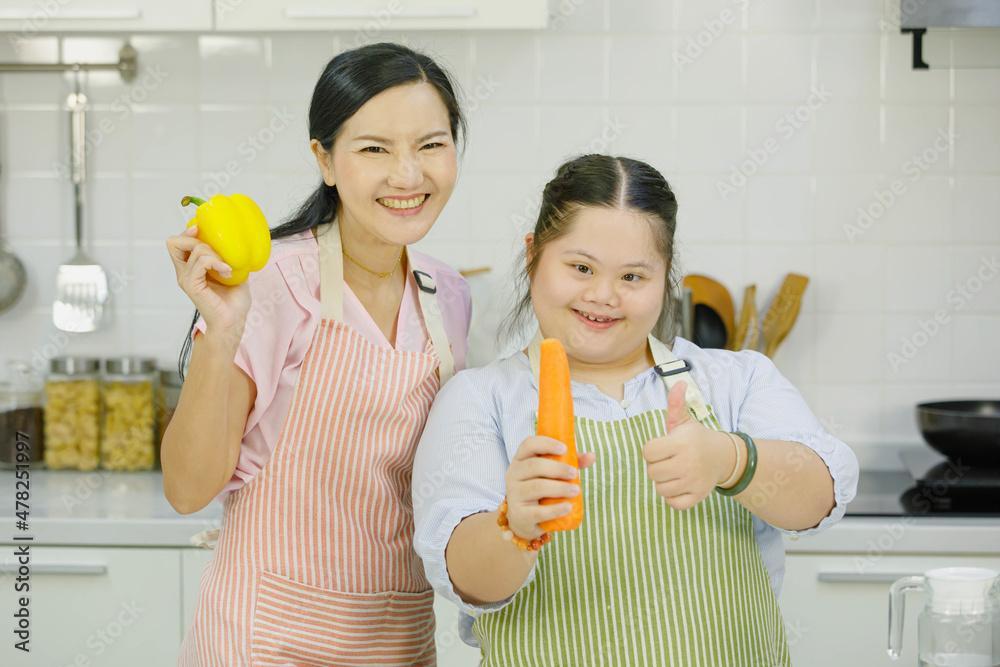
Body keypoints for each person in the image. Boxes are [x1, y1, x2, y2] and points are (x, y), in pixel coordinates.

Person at [411, 154, 859, 665]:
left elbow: (822, 499)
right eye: (581, 268)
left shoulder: (735, 380)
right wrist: (514, 527)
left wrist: (729, 459)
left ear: (665, 277)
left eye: (632, 276)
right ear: (533, 255)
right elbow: (467, 581)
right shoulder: (478, 400)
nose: (603, 295)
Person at [163, 43, 472, 666]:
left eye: (431, 145)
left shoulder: (449, 296)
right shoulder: (272, 283)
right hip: (266, 639)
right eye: (374, 149)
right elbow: (187, 489)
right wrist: (221, 331)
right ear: (325, 160)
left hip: (398, 637)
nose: (407, 175)